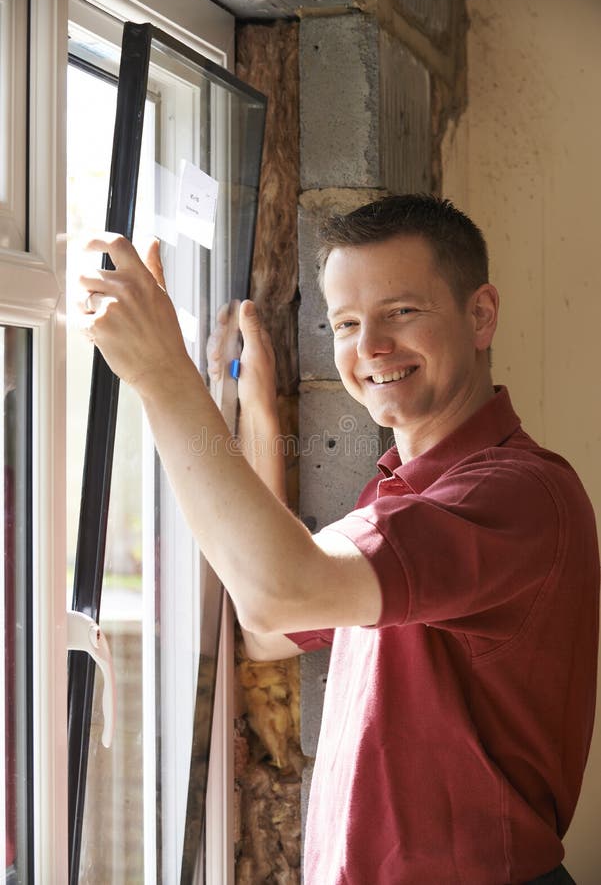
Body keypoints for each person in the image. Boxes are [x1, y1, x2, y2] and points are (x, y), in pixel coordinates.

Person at [78, 194, 599, 884]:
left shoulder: (511, 494)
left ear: (480, 315)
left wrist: (158, 375)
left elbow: (278, 595)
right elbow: (271, 631)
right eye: (346, 323)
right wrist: (256, 413)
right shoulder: (401, 491)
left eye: (400, 312)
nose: (371, 346)